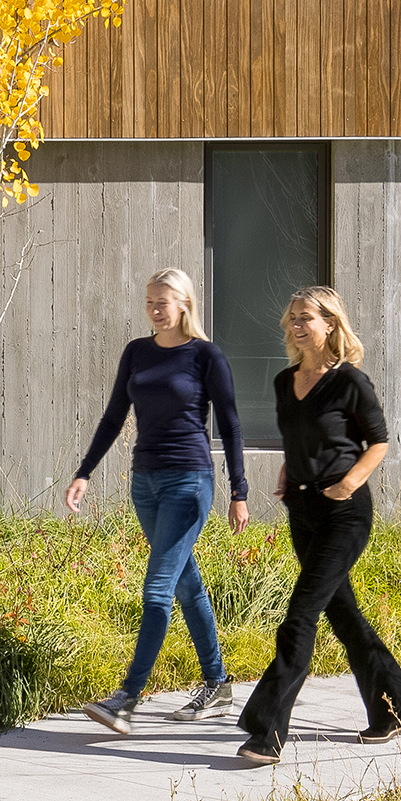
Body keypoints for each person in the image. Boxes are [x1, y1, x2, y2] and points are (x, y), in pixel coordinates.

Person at [237, 285, 401, 764]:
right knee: (343, 614)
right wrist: (288, 468)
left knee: (301, 613)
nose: (297, 325)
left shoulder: (349, 382)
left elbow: (377, 441)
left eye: (306, 318)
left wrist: (349, 482)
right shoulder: (284, 381)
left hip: (344, 513)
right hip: (302, 511)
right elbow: (298, 436)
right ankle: (392, 707)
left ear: (330, 325)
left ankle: (266, 730)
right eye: (292, 318)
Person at [65, 266, 250, 729]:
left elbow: (229, 425)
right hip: (144, 481)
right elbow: (113, 417)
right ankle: (218, 684)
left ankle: (127, 697)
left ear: (183, 303)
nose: (153, 310)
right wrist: (84, 472)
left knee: (158, 588)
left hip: (189, 482)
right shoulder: (137, 352)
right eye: (148, 302)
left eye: (161, 302)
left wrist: (238, 490)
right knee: (186, 581)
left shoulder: (206, 356)